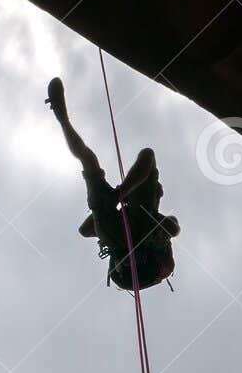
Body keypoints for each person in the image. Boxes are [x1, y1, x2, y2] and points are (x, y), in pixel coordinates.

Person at [46, 76, 180, 291]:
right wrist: (116, 203)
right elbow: (85, 230)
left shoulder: (148, 212)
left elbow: (85, 230)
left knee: (89, 161)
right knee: (89, 161)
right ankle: (62, 119)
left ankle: (63, 120)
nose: (160, 191)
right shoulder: (147, 214)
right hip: (116, 233)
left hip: (119, 232)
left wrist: (118, 198)